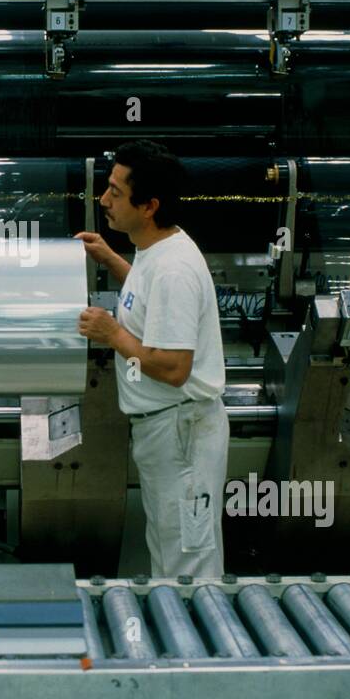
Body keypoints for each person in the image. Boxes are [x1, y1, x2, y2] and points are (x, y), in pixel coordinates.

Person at [76, 139, 227, 578]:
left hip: (181, 430)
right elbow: (149, 295)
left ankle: (198, 644)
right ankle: (178, 641)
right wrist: (110, 260)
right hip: (167, 430)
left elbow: (174, 368)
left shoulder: (173, 269)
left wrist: (112, 333)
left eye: (116, 193)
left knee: (188, 561)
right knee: (169, 547)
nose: (103, 200)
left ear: (149, 206)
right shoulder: (157, 250)